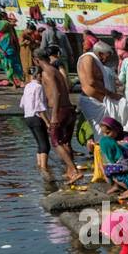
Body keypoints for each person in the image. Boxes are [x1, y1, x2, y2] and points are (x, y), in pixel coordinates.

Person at [34, 46, 79, 181]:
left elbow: (56, 93)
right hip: (69, 109)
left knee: (55, 142)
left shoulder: (47, 72)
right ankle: (70, 171)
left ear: (36, 60)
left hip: (59, 110)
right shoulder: (56, 70)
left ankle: (74, 170)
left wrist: (53, 116)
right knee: (65, 142)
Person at [76, 40, 124, 136]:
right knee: (100, 132)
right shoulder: (88, 58)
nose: (108, 59)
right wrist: (110, 94)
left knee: (107, 130)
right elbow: (91, 81)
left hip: (100, 101)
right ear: (101, 54)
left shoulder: (96, 62)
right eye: (108, 56)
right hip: (91, 101)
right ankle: (100, 150)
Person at [20, 67, 52, 177]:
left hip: (27, 117)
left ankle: (40, 166)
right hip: (36, 117)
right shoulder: (39, 87)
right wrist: (48, 123)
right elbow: (39, 107)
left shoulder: (27, 86)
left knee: (39, 143)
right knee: (45, 145)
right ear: (38, 75)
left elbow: (23, 104)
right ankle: (44, 169)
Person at [0, 11, 21, 84]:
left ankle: (18, 81)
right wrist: (1, 51)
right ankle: (13, 82)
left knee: (16, 66)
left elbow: (15, 41)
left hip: (12, 51)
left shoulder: (9, 32)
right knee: (9, 67)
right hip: (5, 52)